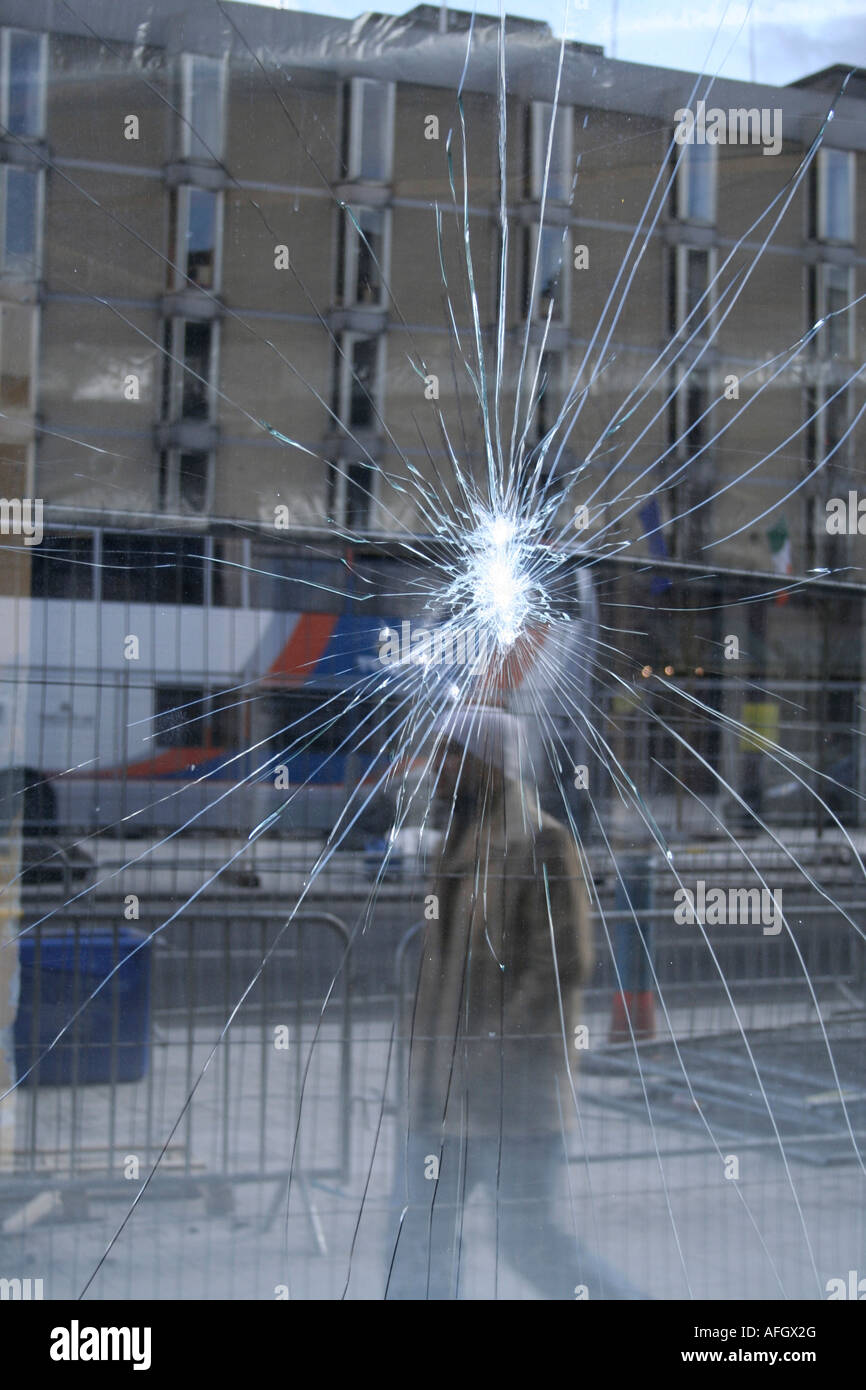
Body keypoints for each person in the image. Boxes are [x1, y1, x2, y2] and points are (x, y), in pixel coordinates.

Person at [387, 703, 641, 1299]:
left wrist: (490, 1052)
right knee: (416, 1235)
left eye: (454, 753)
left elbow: (562, 963)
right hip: (442, 1095)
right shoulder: (456, 842)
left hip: (512, 1097)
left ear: (489, 764)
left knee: (528, 1238)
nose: (440, 766)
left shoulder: (540, 843)